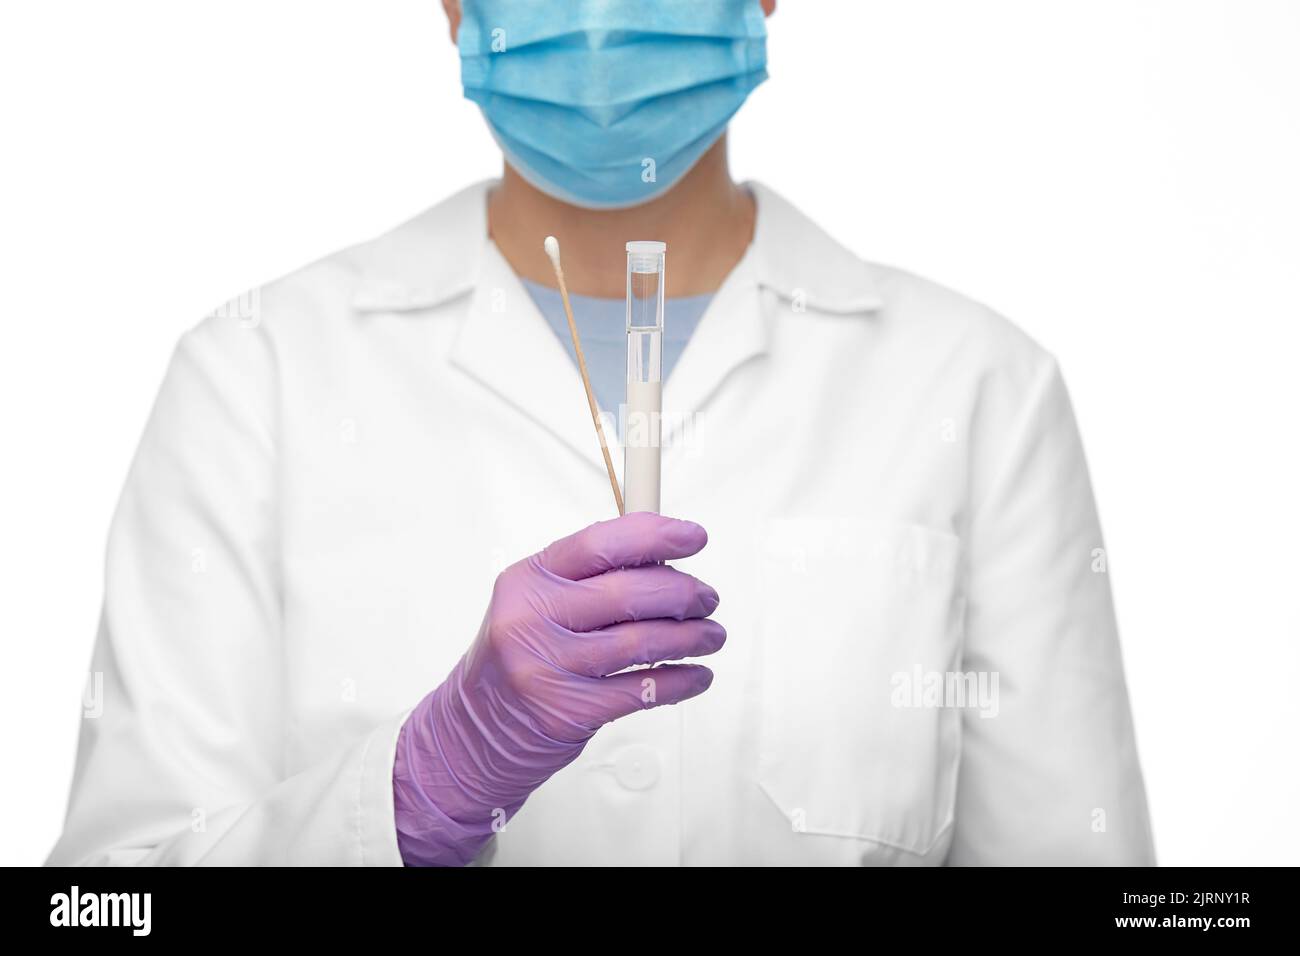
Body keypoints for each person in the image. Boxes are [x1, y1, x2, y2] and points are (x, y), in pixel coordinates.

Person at [47, 0, 1154, 866]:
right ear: (451, 2)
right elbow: (109, 901)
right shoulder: (256, 373)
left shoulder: (975, 385)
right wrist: (413, 794)